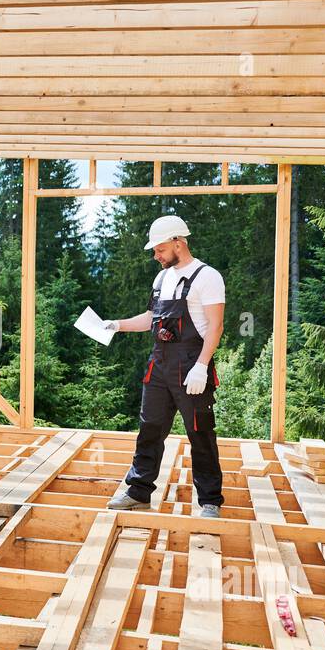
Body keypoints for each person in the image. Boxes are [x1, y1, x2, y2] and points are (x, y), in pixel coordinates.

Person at [103, 215, 226, 516]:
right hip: (158, 365)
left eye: (159, 250)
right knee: (150, 429)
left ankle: (209, 500)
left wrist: (201, 365)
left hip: (191, 367)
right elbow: (151, 320)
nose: (156, 256)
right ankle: (138, 492)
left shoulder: (207, 276)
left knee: (200, 433)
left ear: (178, 242)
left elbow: (215, 326)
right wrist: (116, 325)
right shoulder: (162, 278)